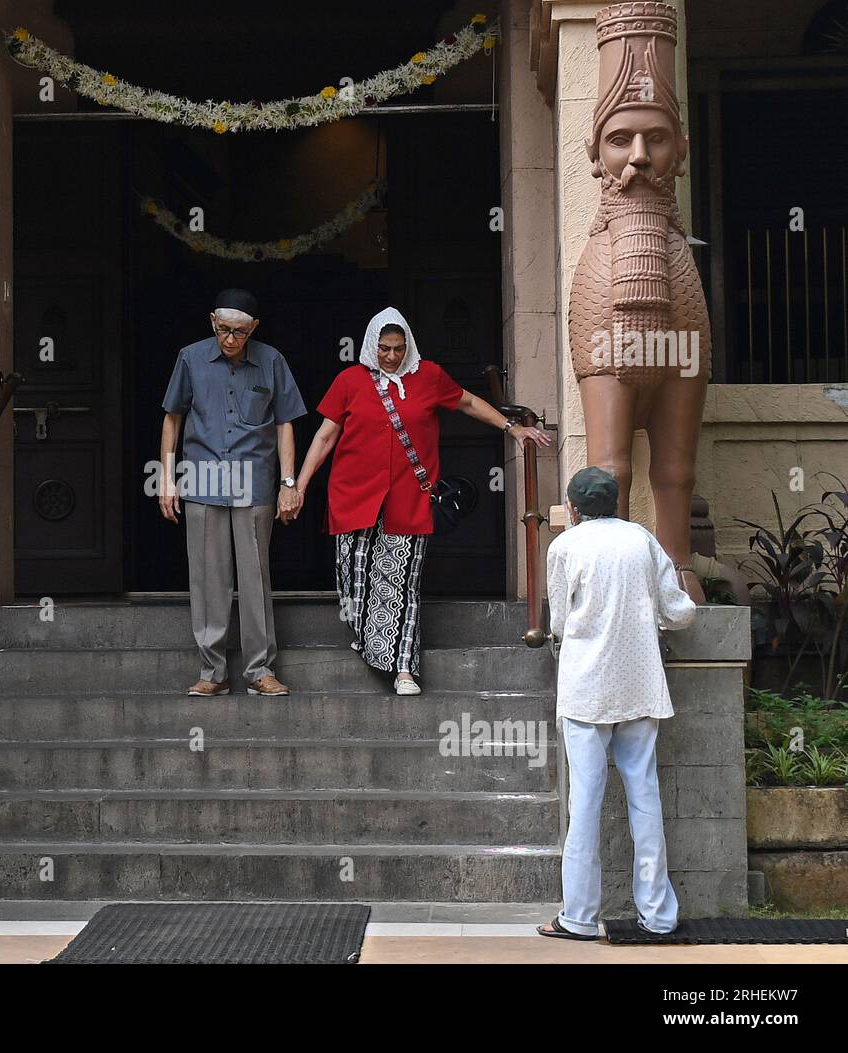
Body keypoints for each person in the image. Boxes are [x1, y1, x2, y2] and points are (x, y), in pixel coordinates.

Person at [293, 307, 549, 694]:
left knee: (401, 583)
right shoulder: (349, 380)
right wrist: (299, 484)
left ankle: (403, 668)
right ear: (371, 346)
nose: (392, 356)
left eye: (398, 348)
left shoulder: (428, 375)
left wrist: (512, 428)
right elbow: (325, 436)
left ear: (408, 345)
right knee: (355, 582)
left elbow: (467, 403)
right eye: (384, 349)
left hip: (409, 499)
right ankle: (370, 640)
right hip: (353, 497)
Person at [537, 466, 696, 941]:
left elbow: (561, 621)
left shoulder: (564, 546)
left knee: (584, 802)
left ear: (576, 507)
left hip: (587, 688)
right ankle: (659, 915)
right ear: (616, 502)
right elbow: (677, 612)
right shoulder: (643, 540)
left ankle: (579, 917)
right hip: (641, 683)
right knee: (644, 795)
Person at [159, 289, 306, 697]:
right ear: (211, 322)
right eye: (223, 329)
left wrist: (288, 484)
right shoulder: (190, 358)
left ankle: (260, 670)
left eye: (239, 332)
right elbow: (173, 418)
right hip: (203, 477)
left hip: (255, 479)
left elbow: (285, 424)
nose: (230, 339)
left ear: (253, 329)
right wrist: (167, 479)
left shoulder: (272, 360)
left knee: (255, 575)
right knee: (208, 577)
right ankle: (213, 672)